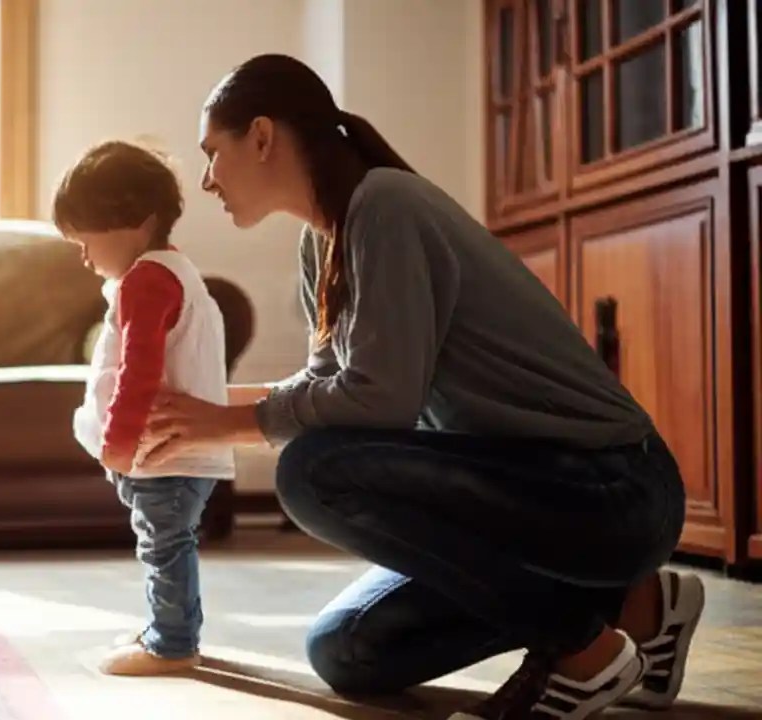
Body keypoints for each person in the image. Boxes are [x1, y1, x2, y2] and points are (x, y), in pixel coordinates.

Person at [138, 54, 703, 719]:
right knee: (345, 652)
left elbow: (381, 400)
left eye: (212, 153)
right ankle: (639, 606)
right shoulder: (321, 245)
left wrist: (224, 424)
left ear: (262, 138)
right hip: (526, 495)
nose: (206, 179)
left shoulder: (386, 204)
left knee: (312, 474)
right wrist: (195, 410)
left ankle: (581, 651)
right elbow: (327, 386)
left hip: (614, 489)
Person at [54, 139, 235, 676]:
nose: (83, 257)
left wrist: (119, 440)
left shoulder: (148, 281)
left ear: (137, 223)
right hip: (170, 453)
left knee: (164, 546)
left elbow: (140, 369)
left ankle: (173, 644)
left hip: (161, 453)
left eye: (85, 242)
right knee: (166, 542)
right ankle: (170, 627)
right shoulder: (169, 271)